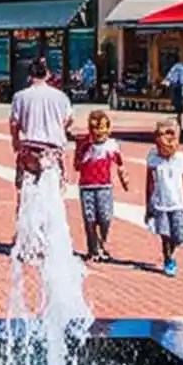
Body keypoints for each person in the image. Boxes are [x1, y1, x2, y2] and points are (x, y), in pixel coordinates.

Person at [10, 58, 74, 192]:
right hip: (53, 148)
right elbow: (69, 119)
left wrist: (15, 140)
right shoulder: (61, 97)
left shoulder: (20, 97)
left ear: (29, 76)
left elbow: (14, 122)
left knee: (26, 191)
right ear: (47, 74)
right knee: (54, 192)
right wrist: (59, 128)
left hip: (29, 147)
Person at [73, 110, 129, 261]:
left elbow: (120, 164)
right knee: (90, 219)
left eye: (103, 127)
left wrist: (124, 180)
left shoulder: (111, 145)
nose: (99, 132)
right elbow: (76, 166)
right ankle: (93, 249)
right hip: (87, 187)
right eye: (95, 128)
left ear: (108, 129)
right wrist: (82, 153)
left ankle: (101, 242)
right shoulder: (84, 144)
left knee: (105, 217)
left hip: (104, 186)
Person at [146, 118, 183, 277]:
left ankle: (172, 252)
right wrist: (148, 206)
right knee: (165, 234)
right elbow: (149, 182)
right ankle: (168, 259)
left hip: (178, 203)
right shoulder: (153, 157)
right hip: (161, 203)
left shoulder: (181, 158)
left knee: (179, 236)